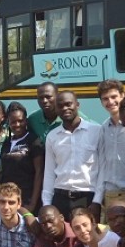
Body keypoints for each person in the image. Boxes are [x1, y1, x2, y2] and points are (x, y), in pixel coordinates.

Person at [40, 90, 101, 221]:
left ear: (77, 105)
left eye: (69, 104)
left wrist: (97, 201)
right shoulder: (52, 136)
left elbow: (103, 170)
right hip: (60, 198)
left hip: (87, 198)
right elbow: (49, 173)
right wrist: (46, 204)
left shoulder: (96, 131)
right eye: (60, 106)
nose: (65, 108)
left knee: (89, 239)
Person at [94, 79, 125, 216]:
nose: (110, 102)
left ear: (122, 96)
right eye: (105, 99)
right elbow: (102, 164)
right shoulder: (104, 128)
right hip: (110, 193)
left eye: (113, 97)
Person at [0, 102, 44, 214]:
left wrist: (33, 203)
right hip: (8, 200)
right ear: (8, 122)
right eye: (13, 122)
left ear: (26, 121)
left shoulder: (33, 141)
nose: (17, 124)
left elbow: (39, 172)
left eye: (20, 121)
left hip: (27, 199)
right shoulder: (7, 143)